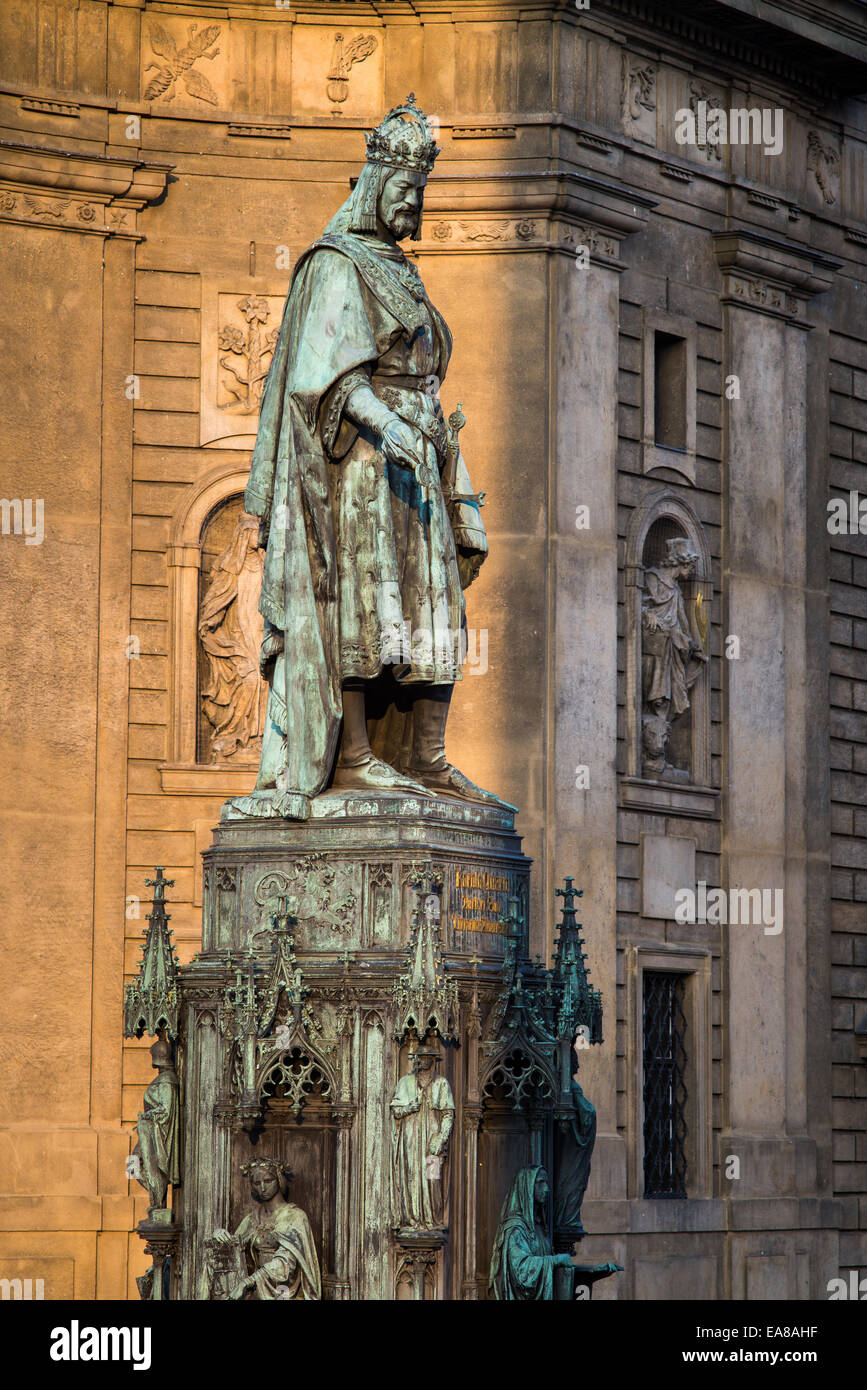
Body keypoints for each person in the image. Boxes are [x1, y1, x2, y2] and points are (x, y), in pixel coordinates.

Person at [238, 95, 501, 821]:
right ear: (375, 185)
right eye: (405, 191)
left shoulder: (398, 267)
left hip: (420, 451)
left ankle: (426, 756)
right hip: (363, 463)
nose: (413, 204)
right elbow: (324, 374)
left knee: (432, 602)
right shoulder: (335, 263)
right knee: (363, 602)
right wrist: (388, 426)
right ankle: (351, 757)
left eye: (420, 192)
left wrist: (431, 440)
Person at [208, 1157, 321, 1300]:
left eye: (268, 1181)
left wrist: (247, 1282)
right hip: (256, 1289)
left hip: (284, 1290)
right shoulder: (253, 1218)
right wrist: (220, 1237)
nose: (262, 1188)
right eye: (256, 1183)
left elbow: (285, 1264)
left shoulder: (295, 1217)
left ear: (279, 1179)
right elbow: (235, 1249)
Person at [390, 1045, 455, 1232]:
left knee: (433, 1178)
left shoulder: (441, 1084)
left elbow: (448, 1114)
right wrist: (410, 1107)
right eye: (420, 1056)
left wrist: (441, 1138)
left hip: (433, 1140)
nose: (423, 1060)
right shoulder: (405, 1082)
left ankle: (433, 1219)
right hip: (411, 1140)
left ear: (433, 1060)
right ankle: (412, 1219)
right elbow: (396, 1111)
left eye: (427, 1057)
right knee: (411, 1175)